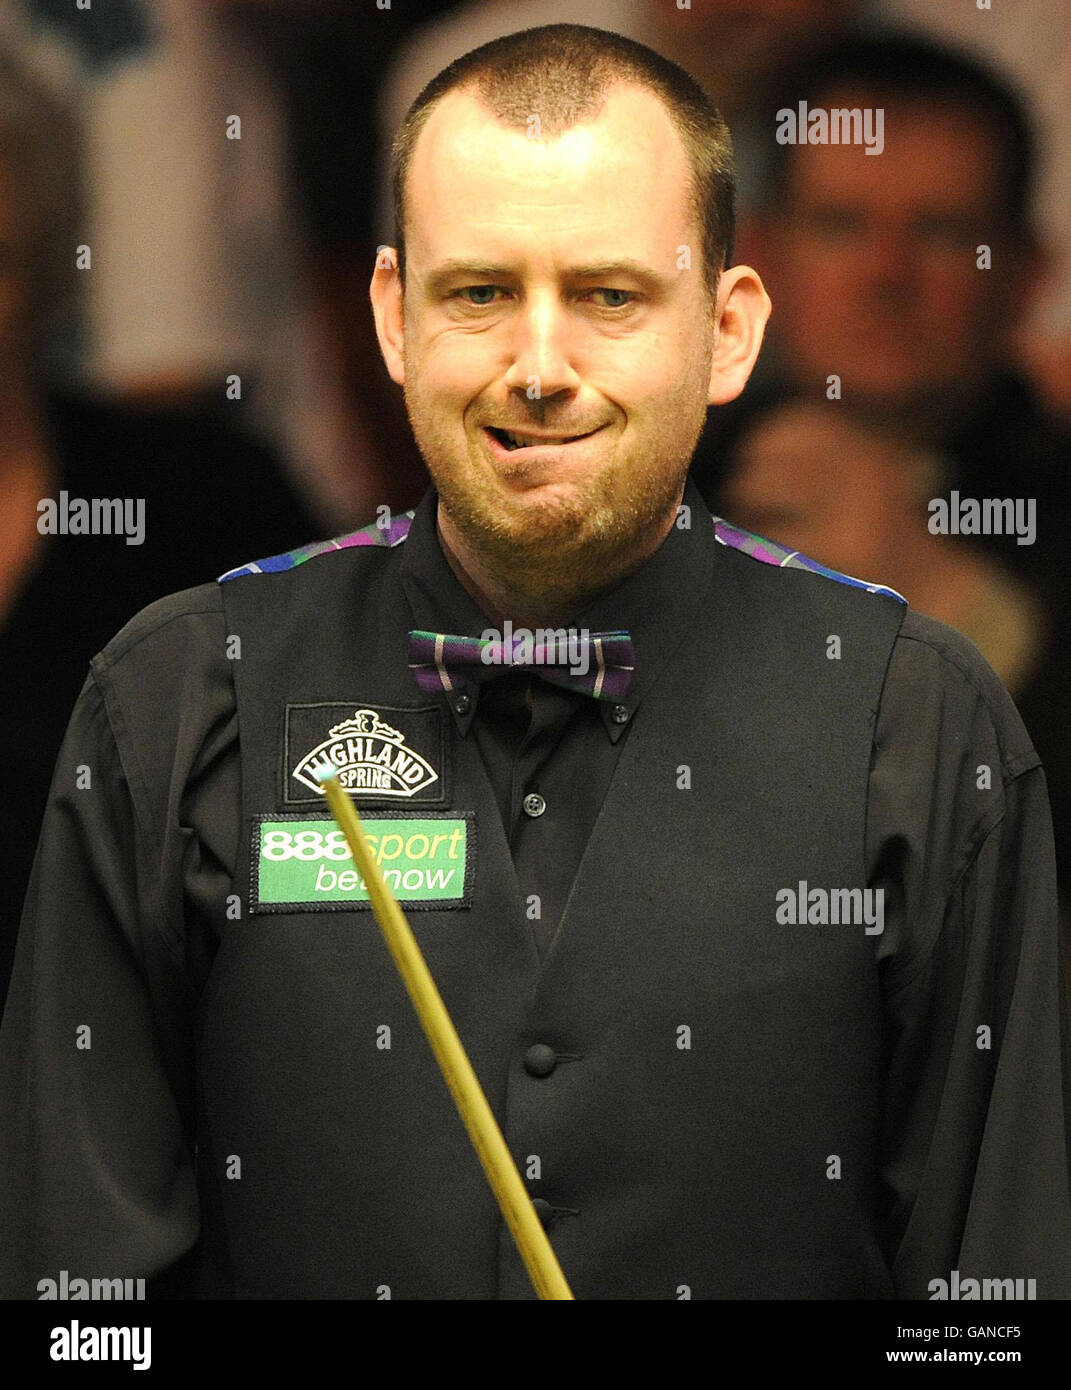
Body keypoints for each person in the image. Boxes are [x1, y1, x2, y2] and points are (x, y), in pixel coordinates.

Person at [2, 23, 1069, 1300]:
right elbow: (80, 1308)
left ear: (729, 330)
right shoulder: (177, 697)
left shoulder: (922, 723)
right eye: (480, 293)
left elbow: (992, 1305)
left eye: (611, 295)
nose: (542, 368)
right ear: (394, 318)